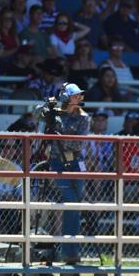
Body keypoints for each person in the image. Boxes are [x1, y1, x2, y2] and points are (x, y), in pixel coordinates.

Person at [45, 83, 89, 264]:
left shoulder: (83, 117)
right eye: (75, 96)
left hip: (76, 163)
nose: (78, 99)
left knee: (75, 205)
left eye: (79, 96)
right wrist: (48, 109)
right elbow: (38, 115)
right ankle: (66, 250)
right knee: (71, 202)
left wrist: (60, 135)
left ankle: (72, 252)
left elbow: (79, 145)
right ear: (66, 98)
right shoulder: (56, 113)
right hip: (58, 163)